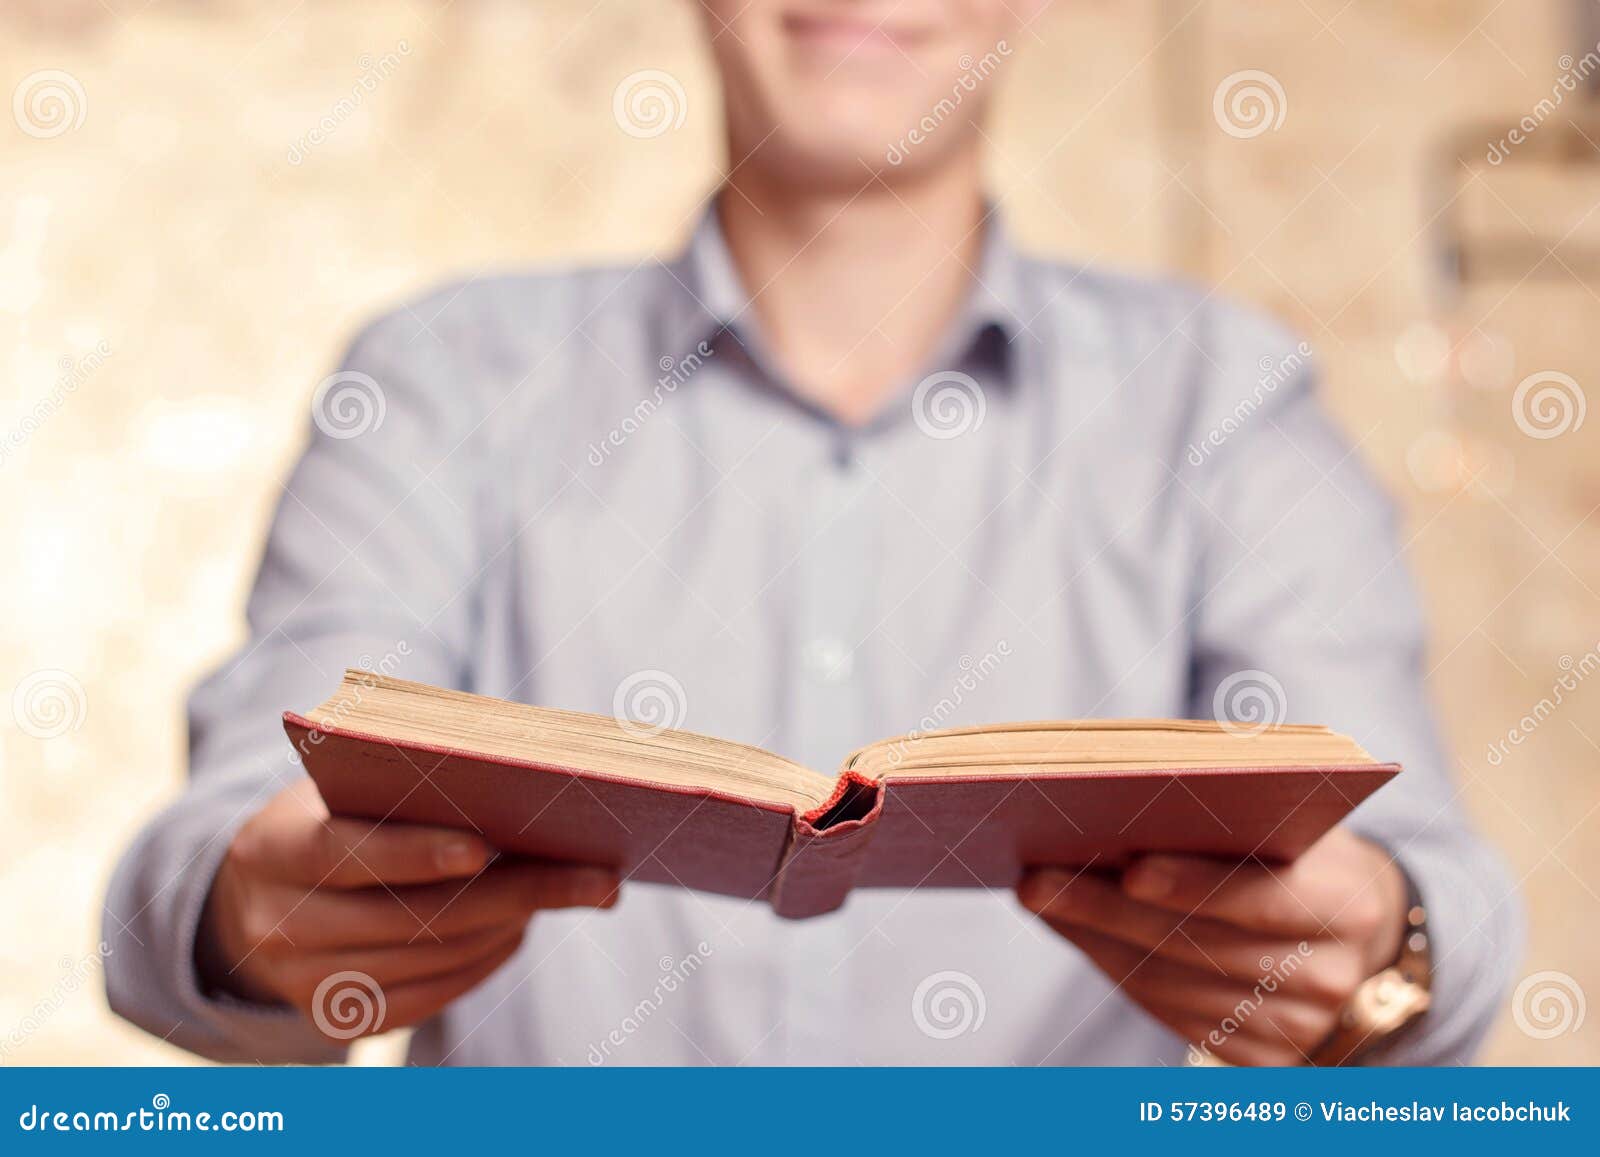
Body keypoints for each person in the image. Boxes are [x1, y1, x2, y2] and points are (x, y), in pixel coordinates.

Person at [104, 1, 1520, 1065]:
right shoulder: (441, 380)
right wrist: (253, 916)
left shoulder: (1227, 404)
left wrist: (1377, 951)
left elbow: (1433, 898)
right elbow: (206, 862)